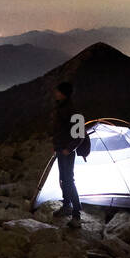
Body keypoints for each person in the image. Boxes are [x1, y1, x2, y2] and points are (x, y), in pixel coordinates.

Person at [51, 81, 84, 227]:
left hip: (66, 151)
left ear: (63, 93)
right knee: (63, 179)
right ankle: (66, 206)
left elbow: (80, 133)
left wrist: (68, 149)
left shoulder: (72, 110)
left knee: (69, 180)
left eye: (57, 91)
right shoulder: (62, 107)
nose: (55, 93)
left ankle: (76, 214)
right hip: (60, 149)